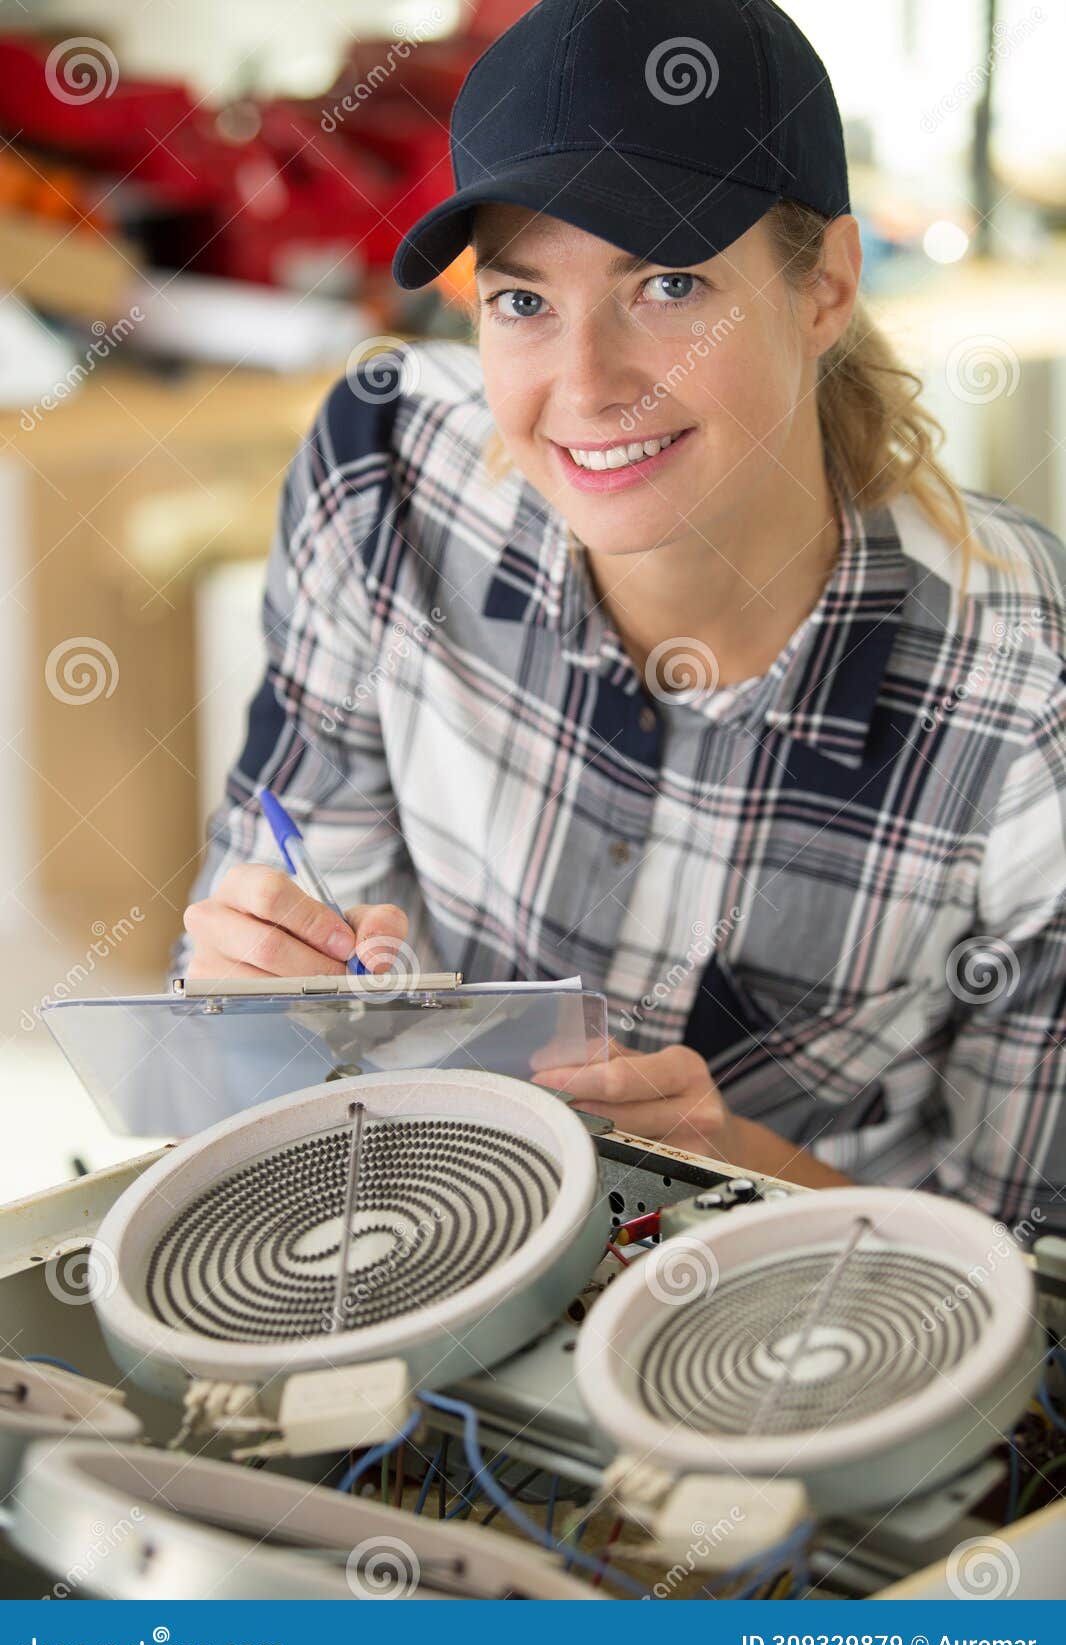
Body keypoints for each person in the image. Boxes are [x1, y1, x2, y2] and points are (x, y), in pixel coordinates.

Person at [177, 0, 1066, 1230]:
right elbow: (286, 1048)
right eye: (523, 300)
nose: (585, 386)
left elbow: (1037, 1296)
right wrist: (248, 1002)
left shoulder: (1026, 691)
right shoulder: (380, 467)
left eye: (668, 283)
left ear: (827, 289)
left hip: (818, 1351)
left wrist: (735, 1170)